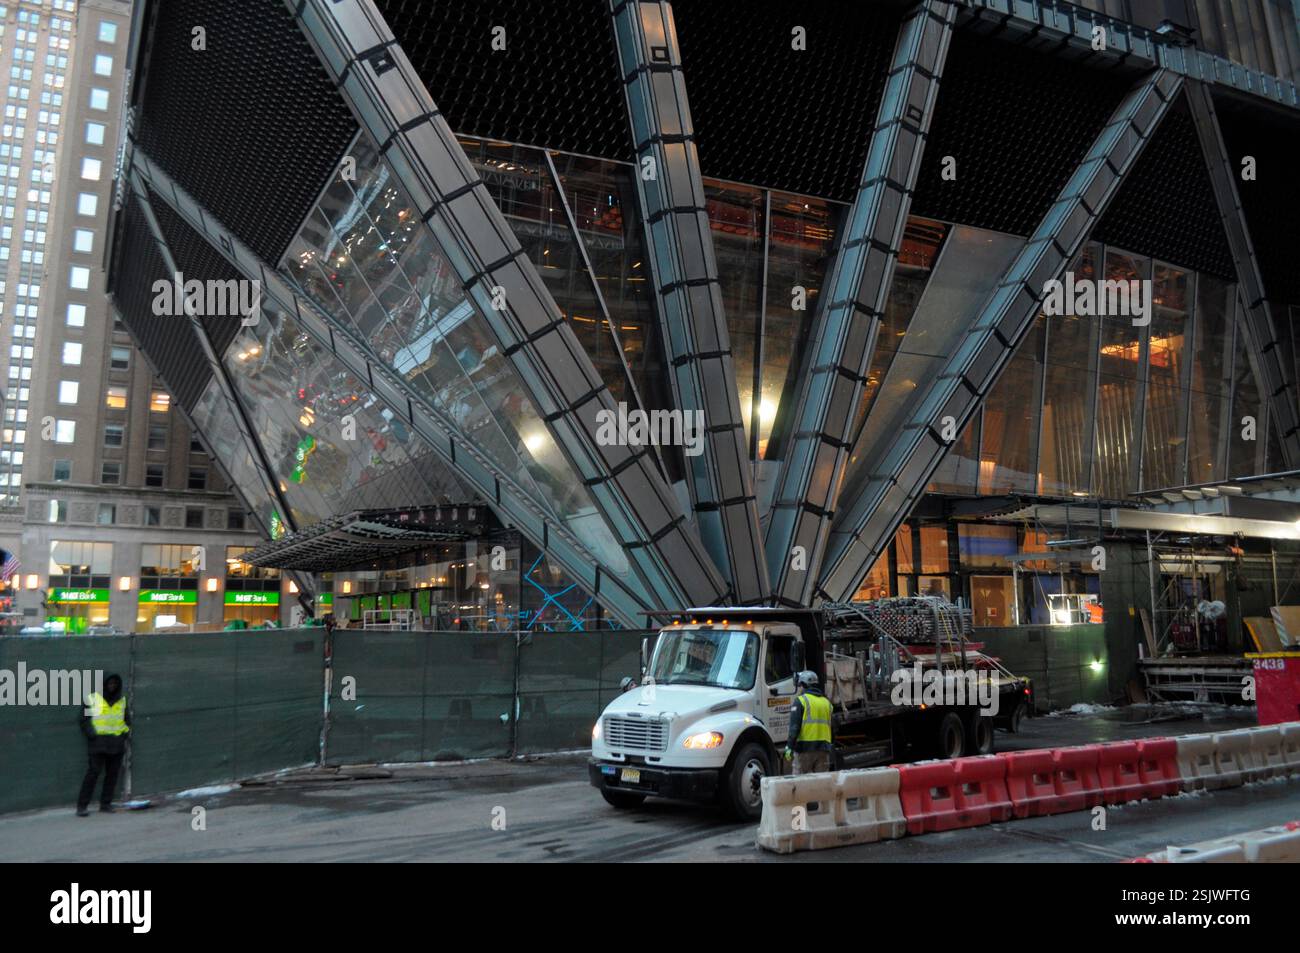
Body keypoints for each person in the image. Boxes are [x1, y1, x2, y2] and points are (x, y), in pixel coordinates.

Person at [77, 673, 131, 816]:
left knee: (112, 775)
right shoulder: (93, 699)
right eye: (109, 683)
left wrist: (124, 735)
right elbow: (84, 720)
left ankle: (105, 804)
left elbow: (127, 720)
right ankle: (82, 806)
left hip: (116, 744)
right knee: (93, 774)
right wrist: (92, 735)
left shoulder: (121, 701)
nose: (112, 686)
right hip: (98, 745)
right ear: (104, 684)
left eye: (114, 684)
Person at [784, 670, 832, 775]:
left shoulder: (801, 701)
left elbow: (794, 728)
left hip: (804, 749)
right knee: (822, 783)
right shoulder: (827, 703)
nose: (800, 688)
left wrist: (789, 747)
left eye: (800, 685)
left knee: (799, 783)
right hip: (823, 749)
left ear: (804, 684)